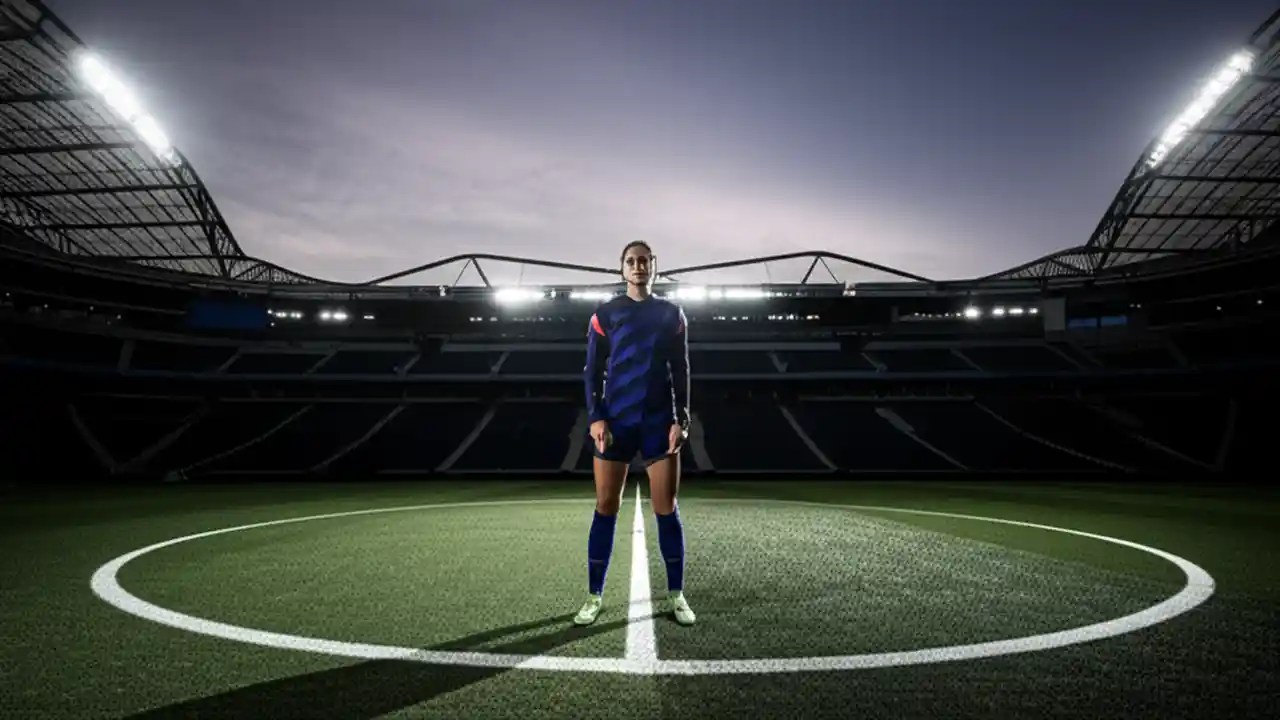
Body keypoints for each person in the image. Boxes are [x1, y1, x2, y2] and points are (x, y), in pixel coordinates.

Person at [572, 240, 695, 627]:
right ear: (622, 268)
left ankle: (676, 594)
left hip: (660, 421)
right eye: (631, 261)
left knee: (666, 508)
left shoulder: (672, 314)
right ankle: (594, 596)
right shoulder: (605, 313)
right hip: (617, 421)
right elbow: (592, 371)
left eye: (644, 261)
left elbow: (682, 369)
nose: (638, 266)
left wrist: (682, 418)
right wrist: (596, 417)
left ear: (654, 266)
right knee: (606, 507)